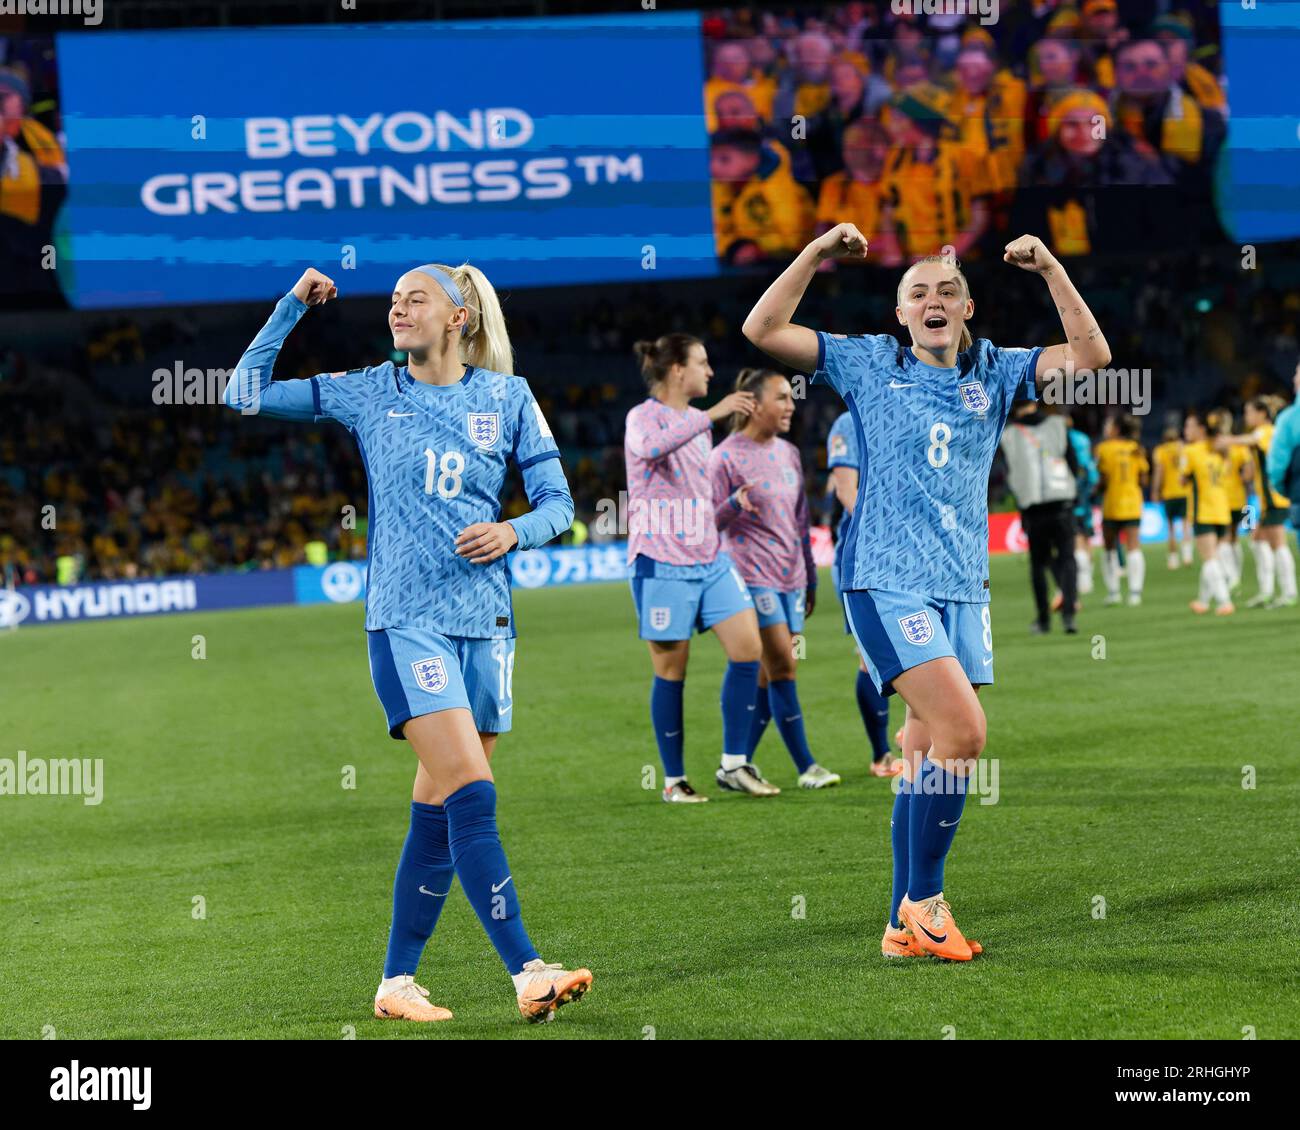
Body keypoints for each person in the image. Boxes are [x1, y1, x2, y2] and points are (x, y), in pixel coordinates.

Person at [222, 262, 592, 1025]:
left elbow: (559, 505)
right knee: (473, 794)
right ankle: (527, 970)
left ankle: (396, 984)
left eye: (414, 299)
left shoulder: (507, 397)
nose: (397, 309)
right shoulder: (368, 390)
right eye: (392, 300)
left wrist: (512, 529)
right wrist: (294, 305)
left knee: (438, 815)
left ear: (458, 318)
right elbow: (243, 393)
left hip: (487, 627)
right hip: (406, 623)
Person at [743, 223, 1112, 961]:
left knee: (921, 750)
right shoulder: (868, 362)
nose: (934, 300)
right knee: (965, 734)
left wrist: (1050, 271)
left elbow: (1094, 358)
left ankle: (898, 923)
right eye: (918, 293)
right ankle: (926, 901)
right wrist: (817, 253)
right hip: (885, 579)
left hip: (962, 586)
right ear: (900, 315)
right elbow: (763, 328)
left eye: (948, 290)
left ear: (967, 308)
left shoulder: (1000, 371)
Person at [624, 333, 779, 802]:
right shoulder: (641, 417)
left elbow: (695, 490)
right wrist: (709, 416)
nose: (710, 372)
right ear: (676, 370)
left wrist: (730, 503)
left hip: (710, 558)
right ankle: (673, 780)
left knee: (750, 650)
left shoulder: (698, 422)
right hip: (661, 562)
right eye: (702, 363)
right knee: (672, 671)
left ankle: (734, 764)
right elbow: (651, 450)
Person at [709, 368, 840, 788]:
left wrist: (811, 576)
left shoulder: (788, 453)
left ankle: (735, 765)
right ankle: (807, 766)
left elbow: (800, 519)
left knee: (771, 673)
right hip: (750, 575)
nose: (791, 405)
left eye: (790, 397)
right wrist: (732, 504)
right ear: (754, 404)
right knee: (784, 664)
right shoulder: (723, 458)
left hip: (791, 577)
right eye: (781, 398)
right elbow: (705, 524)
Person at [827, 408, 902, 777]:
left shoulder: (907, 410)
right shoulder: (848, 423)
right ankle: (881, 754)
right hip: (866, 556)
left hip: (913, 556)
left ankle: (918, 733)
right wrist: (892, 530)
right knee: (870, 658)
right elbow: (846, 492)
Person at [999, 400, 1079, 633]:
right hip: (1062, 502)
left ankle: (1044, 620)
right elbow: (1072, 463)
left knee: (1038, 564)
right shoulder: (1057, 424)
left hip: (1033, 507)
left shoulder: (1010, 434)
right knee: (1068, 560)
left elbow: (1009, 473)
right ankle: (1069, 617)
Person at [1220, 394, 1298, 609]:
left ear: (1262, 414)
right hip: (1265, 500)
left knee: (1277, 544)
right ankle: (1267, 591)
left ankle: (1289, 592)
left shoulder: (1267, 431)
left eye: (1249, 412)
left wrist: (1227, 440)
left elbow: (1252, 439)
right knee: (1257, 540)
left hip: (1275, 497)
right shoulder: (1261, 434)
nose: (1246, 416)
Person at [1180, 410, 1234, 615]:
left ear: (1201, 429)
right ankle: (1203, 600)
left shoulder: (1191, 451)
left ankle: (1224, 601)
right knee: (1212, 556)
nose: (1186, 430)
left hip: (1203, 509)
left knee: (1209, 558)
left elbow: (1182, 480)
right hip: (1222, 508)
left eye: (1189, 426)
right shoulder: (1219, 450)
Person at [1094, 414, 1149, 606]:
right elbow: (1144, 480)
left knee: (1109, 547)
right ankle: (1135, 593)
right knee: (1134, 547)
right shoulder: (1137, 449)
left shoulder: (1103, 449)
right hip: (1133, 502)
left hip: (1112, 503)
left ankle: (1114, 592)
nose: (1106, 428)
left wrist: (1095, 490)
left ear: (1116, 429)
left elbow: (1103, 479)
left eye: (1109, 424)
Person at [1065, 411, 1099, 595]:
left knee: (1076, 538)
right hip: (1084, 493)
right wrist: (1092, 483)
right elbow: (1090, 467)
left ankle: (1082, 581)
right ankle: (1088, 578)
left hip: (1070, 493)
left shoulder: (1063, 438)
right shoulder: (1084, 439)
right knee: (1086, 535)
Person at [1150, 424, 1193, 569]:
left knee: (1170, 528)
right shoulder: (1184, 448)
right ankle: (1187, 555)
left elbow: (1159, 472)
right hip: (1185, 491)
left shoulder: (1160, 451)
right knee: (1186, 525)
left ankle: (1173, 559)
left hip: (1169, 493)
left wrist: (1155, 490)